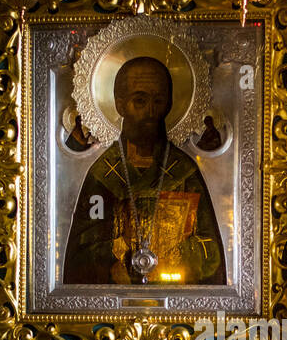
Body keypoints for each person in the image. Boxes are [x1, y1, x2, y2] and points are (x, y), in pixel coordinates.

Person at [62, 56, 227, 285]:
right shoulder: (103, 173)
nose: (151, 111)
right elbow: (80, 257)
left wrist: (174, 255)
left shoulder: (185, 171)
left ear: (169, 104)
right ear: (119, 104)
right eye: (140, 100)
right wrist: (116, 252)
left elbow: (212, 253)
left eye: (158, 101)